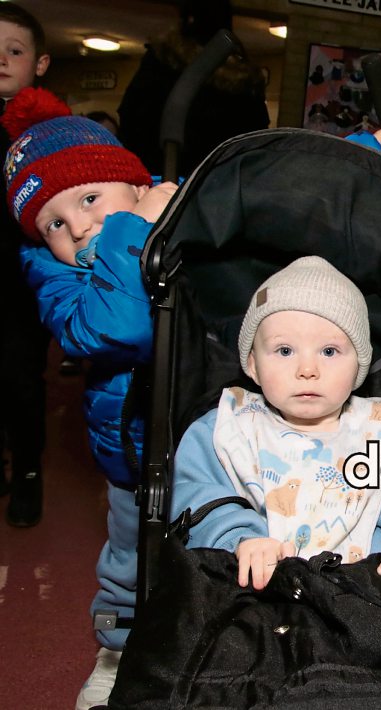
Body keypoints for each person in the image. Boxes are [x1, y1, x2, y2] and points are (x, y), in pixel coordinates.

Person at [1, 87, 178, 709]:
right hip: (130, 454)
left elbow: (264, 185)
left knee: (218, 548)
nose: (79, 228)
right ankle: (117, 651)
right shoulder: (54, 275)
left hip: (213, 441)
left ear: (134, 182)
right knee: (130, 560)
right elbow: (119, 324)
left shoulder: (178, 208)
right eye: (55, 223)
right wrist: (134, 227)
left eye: (90, 199)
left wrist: (366, 146)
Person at [171, 256, 381, 598]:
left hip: (367, 601)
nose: (307, 369)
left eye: (328, 351)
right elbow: (193, 494)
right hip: (256, 601)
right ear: (252, 362)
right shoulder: (225, 429)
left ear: (359, 367)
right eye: (284, 350)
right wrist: (238, 538)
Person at [117, 0, 269, 176]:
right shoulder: (245, 80)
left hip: (170, 176)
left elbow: (130, 115)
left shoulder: (162, 63)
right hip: (211, 181)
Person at [0, 2, 50, 525]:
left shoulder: (47, 127)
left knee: (19, 377)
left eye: (14, 51)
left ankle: (28, 472)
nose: (1, 61)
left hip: (21, 277)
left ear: (38, 63)